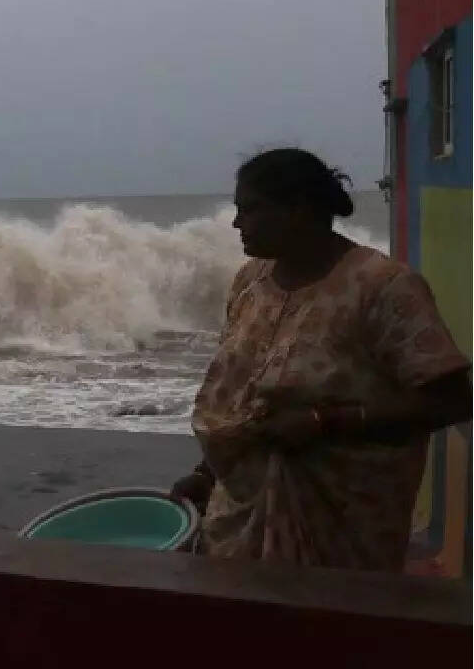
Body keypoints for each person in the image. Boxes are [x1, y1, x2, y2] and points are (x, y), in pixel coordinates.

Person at [170, 147, 471, 572]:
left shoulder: (382, 288)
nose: (237, 222)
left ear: (299, 210)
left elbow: (453, 400)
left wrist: (323, 422)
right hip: (241, 513)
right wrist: (206, 474)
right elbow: (242, 397)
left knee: (333, 632)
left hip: (342, 525)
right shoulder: (250, 282)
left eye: (250, 209)